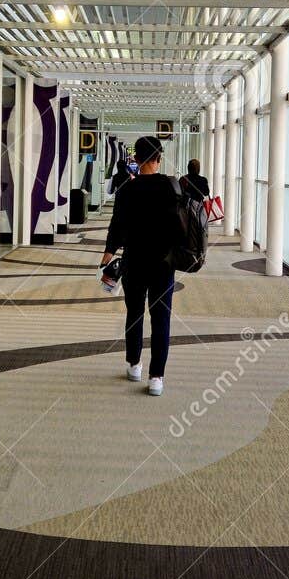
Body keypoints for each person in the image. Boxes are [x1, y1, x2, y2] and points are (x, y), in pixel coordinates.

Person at [101, 134, 182, 396]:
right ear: (158, 159)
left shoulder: (127, 189)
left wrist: (108, 252)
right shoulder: (171, 187)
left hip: (134, 262)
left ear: (136, 159)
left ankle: (135, 365)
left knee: (134, 314)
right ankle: (156, 377)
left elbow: (118, 225)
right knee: (161, 318)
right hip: (163, 263)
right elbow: (178, 227)